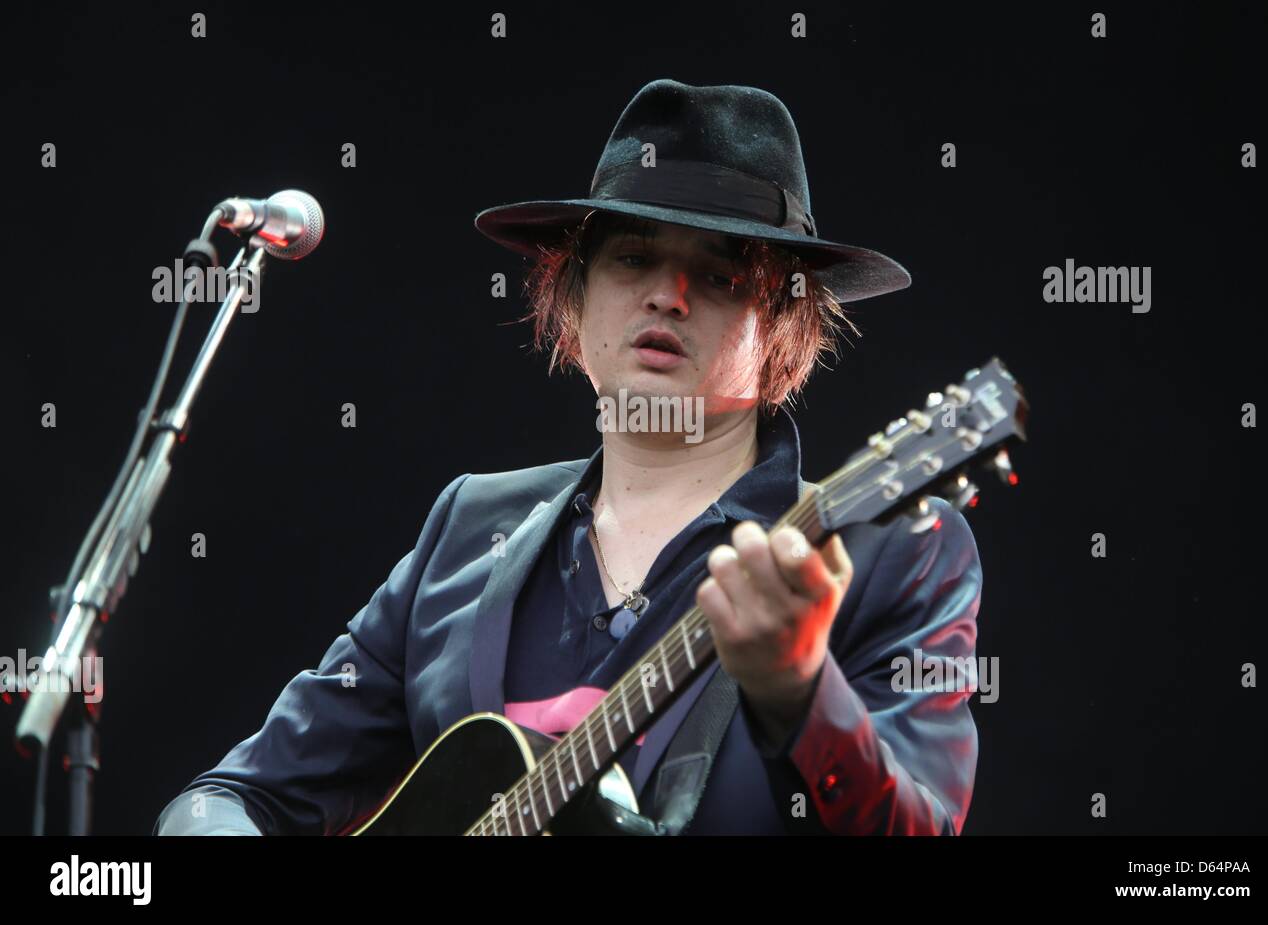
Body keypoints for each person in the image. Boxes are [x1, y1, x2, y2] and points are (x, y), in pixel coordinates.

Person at [154, 78, 982, 836]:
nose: (669, 293)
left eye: (720, 274)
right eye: (632, 257)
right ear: (573, 304)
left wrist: (802, 690)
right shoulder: (468, 528)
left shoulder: (888, 552)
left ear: (782, 334)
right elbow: (232, 796)